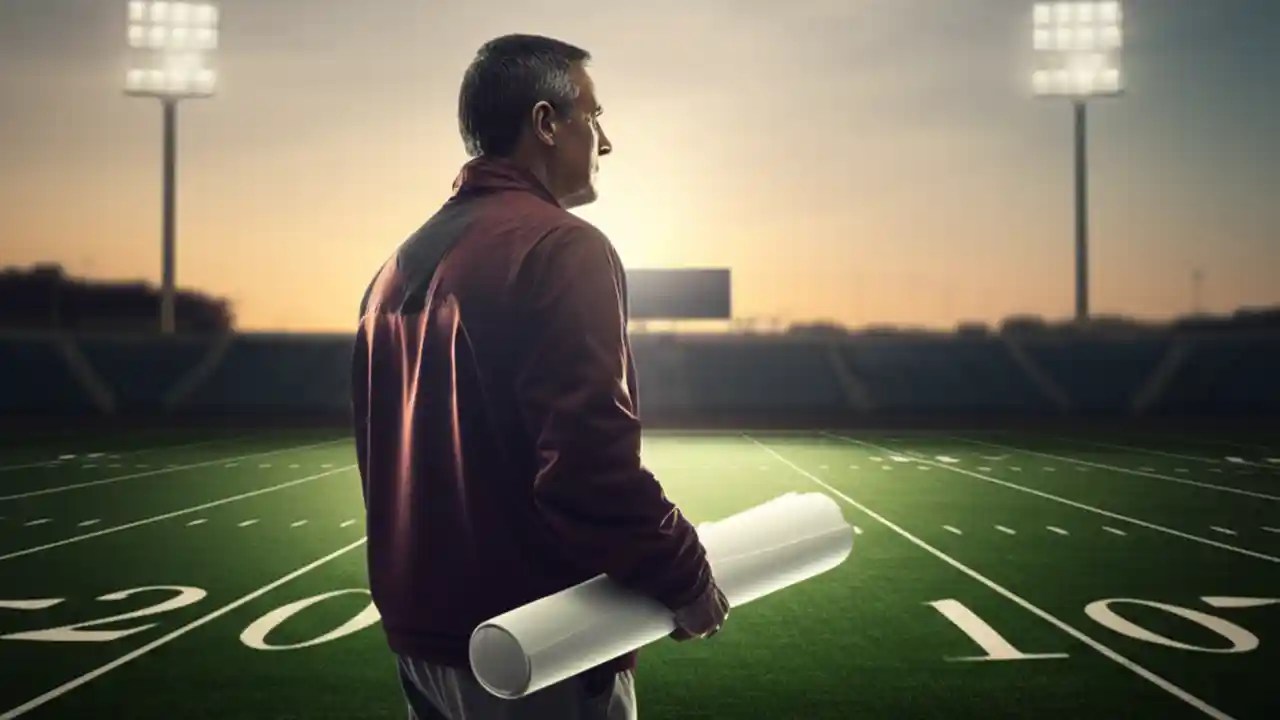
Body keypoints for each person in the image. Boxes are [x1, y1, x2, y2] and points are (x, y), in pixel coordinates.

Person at [351, 34, 730, 720]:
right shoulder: (561, 247)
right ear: (546, 124)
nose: (605, 141)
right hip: (540, 644)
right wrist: (686, 576)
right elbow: (588, 476)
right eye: (593, 115)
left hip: (421, 647)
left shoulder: (391, 271)